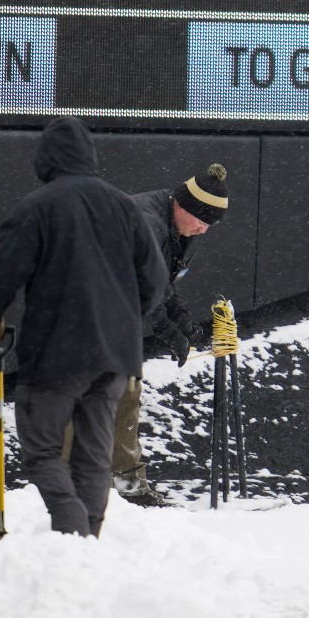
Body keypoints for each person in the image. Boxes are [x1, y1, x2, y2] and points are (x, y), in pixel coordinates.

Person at [0, 117, 167, 537]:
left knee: (42, 447)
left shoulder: (39, 206)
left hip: (57, 353)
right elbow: (154, 280)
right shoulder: (124, 206)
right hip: (115, 356)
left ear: (46, 159)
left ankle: (71, 527)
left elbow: (2, 273)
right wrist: (125, 322)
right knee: (95, 454)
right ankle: (84, 543)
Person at [112, 163, 228, 506]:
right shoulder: (146, 223)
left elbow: (162, 281)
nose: (203, 231)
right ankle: (82, 486)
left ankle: (123, 485)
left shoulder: (179, 227)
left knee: (124, 393)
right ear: (185, 207)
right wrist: (168, 331)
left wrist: (183, 322)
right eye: (203, 222)